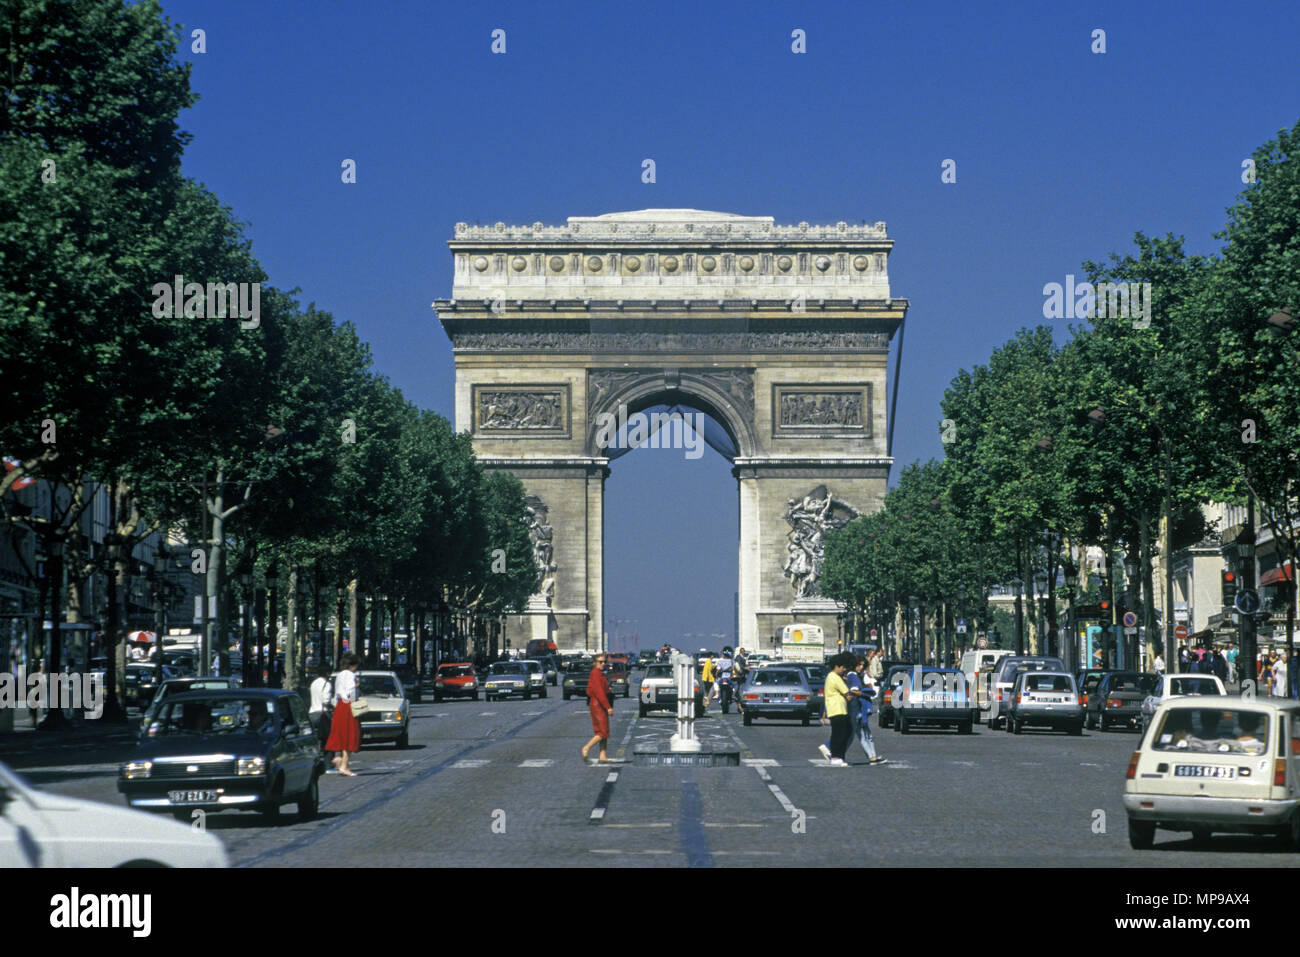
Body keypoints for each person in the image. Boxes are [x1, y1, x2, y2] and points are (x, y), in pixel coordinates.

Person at [324, 652, 362, 776]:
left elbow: (337, 693)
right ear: (353, 665)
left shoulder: (339, 675)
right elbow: (351, 691)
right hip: (347, 706)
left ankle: (341, 761)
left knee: (342, 734)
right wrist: (356, 688)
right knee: (350, 736)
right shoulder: (351, 675)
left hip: (340, 706)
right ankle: (344, 766)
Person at [822, 653, 853, 767]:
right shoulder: (834, 677)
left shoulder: (832, 676)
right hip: (837, 709)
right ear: (836, 666)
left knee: (844, 732)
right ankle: (836, 756)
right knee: (839, 734)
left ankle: (839, 756)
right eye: (843, 667)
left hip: (838, 709)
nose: (844, 670)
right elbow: (847, 693)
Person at [582, 653, 614, 763]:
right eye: (600, 662)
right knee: (602, 732)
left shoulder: (600, 674)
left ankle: (603, 755)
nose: (603, 664)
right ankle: (586, 748)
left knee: (604, 731)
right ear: (595, 663)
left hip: (598, 704)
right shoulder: (595, 674)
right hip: (598, 705)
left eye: (604, 662)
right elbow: (599, 692)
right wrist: (608, 707)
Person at [309, 665, 333, 750]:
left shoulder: (313, 683)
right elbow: (326, 701)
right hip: (323, 714)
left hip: (312, 713)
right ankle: (327, 758)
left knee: (316, 736)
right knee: (327, 738)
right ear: (327, 673)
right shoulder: (327, 684)